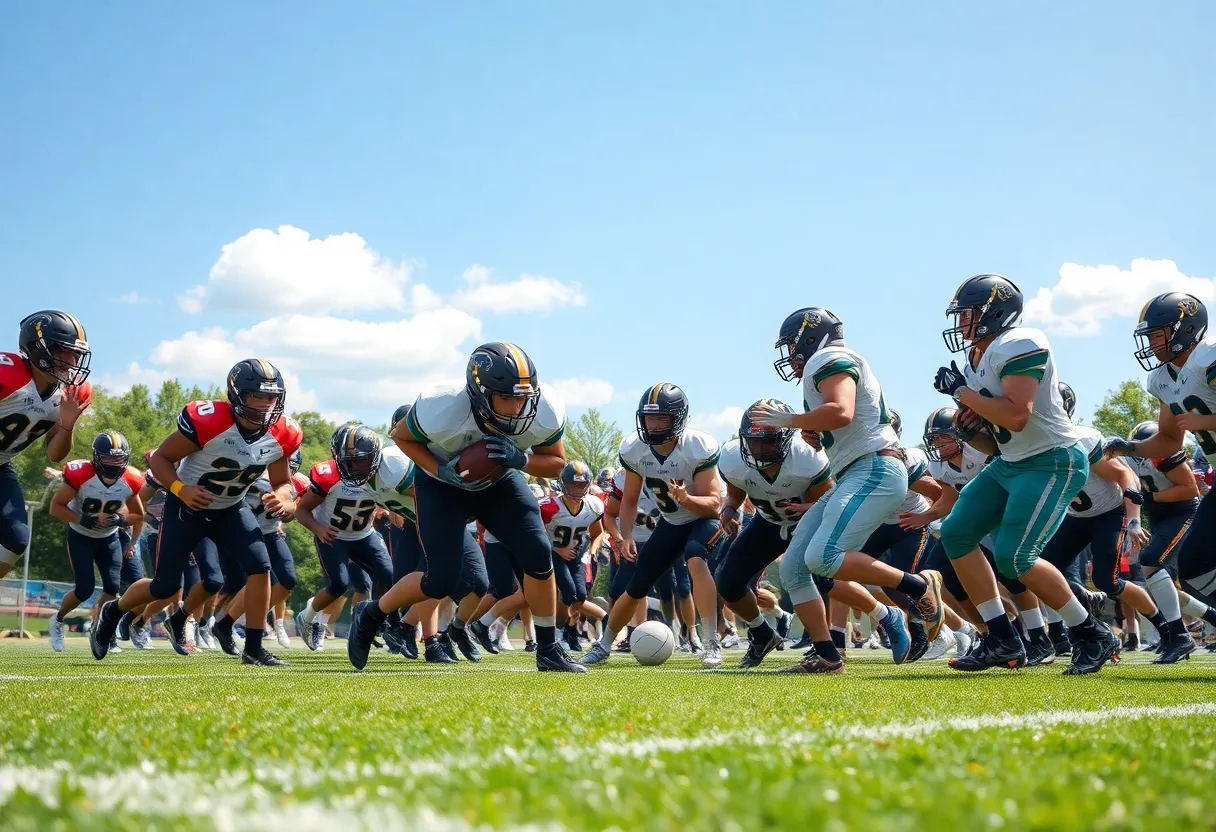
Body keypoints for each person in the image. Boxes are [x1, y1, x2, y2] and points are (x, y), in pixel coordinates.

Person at [347, 342, 584, 672]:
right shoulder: (441, 405)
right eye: (507, 397)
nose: (518, 407)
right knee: (440, 581)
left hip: (499, 480)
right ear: (479, 392)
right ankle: (371, 613)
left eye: (523, 397)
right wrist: (438, 469)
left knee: (538, 554)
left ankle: (548, 648)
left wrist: (523, 459)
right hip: (442, 483)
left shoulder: (544, 408)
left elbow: (558, 463)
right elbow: (402, 437)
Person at [932, 274, 1118, 674]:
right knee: (957, 532)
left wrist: (963, 394)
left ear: (993, 313)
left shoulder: (1020, 342)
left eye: (968, 314)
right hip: (1011, 462)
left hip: (1051, 459)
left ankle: (1090, 631)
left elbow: (1017, 415)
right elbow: (995, 441)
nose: (961, 323)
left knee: (1015, 557)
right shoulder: (979, 357)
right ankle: (1001, 637)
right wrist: (969, 427)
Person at [752, 308, 944, 672]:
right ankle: (827, 655)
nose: (791, 356)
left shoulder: (827, 358)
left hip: (873, 466)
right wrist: (817, 432)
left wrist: (793, 421)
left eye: (793, 346)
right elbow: (842, 422)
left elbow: (841, 410)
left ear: (812, 339)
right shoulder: (826, 363)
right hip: (855, 470)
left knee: (823, 557)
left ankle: (918, 589)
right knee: (795, 566)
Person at [91, 359, 303, 667]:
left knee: (260, 567)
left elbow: (283, 481)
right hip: (187, 507)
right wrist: (180, 489)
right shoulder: (210, 421)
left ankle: (254, 648)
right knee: (164, 586)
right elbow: (161, 459)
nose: (266, 405)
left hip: (230, 508)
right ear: (237, 395)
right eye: (258, 396)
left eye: (272, 397)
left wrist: (284, 498)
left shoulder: (283, 432)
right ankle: (114, 611)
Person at [580, 384, 726, 668]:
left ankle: (710, 642)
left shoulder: (696, 447)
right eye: (649, 418)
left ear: (679, 419)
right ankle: (604, 644)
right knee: (637, 585)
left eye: (662, 418)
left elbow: (713, 505)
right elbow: (630, 499)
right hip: (671, 521)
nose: (654, 425)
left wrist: (686, 497)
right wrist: (627, 535)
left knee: (696, 560)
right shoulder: (636, 450)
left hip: (702, 519)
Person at [1106, 293, 1216, 638]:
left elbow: (1192, 426)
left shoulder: (1208, 357)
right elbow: (1169, 438)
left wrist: (1207, 421)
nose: (1152, 344)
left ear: (1184, 329)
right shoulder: (1164, 378)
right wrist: (1129, 446)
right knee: (1194, 565)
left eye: (1158, 334)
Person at [0, 311, 92, 580]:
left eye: (77, 354)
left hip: (2, 462)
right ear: (40, 348)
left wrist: (67, 424)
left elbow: (54, 454)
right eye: (66, 352)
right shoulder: (8, 373)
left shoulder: (73, 393)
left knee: (16, 537)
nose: (73, 362)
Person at [46, 431, 144, 652]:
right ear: (97, 457)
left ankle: (102, 629)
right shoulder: (81, 474)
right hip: (81, 535)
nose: (114, 463)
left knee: (112, 587)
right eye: (109, 457)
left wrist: (121, 518)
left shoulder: (130, 479)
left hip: (109, 538)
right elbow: (56, 507)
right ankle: (58, 619)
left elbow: (140, 515)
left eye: (119, 458)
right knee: (84, 589)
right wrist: (83, 519)